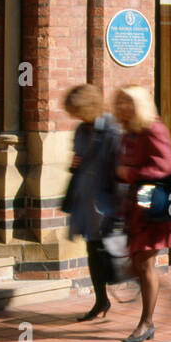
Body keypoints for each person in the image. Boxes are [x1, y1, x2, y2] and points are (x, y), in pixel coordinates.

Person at [114, 85, 171, 342]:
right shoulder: (130, 131)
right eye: (119, 102)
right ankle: (146, 318)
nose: (121, 107)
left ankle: (146, 323)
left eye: (127, 102)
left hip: (153, 209)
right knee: (140, 264)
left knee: (146, 265)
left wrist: (128, 173)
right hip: (135, 208)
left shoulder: (154, 128)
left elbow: (165, 168)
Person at [63, 84, 122, 323]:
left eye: (77, 110)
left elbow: (118, 168)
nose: (75, 116)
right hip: (85, 199)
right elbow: (77, 160)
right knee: (92, 249)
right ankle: (101, 300)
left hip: (104, 201)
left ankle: (120, 290)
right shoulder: (82, 129)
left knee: (106, 250)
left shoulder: (111, 130)